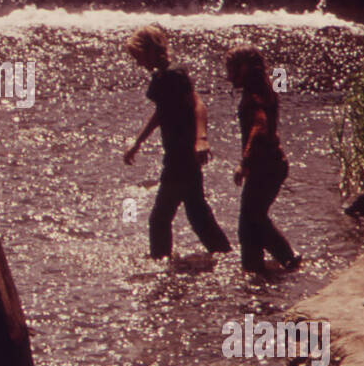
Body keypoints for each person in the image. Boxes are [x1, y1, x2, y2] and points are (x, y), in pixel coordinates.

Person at [124, 25, 232, 260]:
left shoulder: (175, 74)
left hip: (182, 154)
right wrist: (138, 142)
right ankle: (225, 255)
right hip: (176, 152)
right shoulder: (161, 77)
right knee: (197, 213)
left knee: (160, 218)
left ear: (151, 51)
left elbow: (198, 105)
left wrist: (201, 140)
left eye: (138, 56)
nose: (137, 63)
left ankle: (160, 264)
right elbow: (161, 113)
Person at [224, 44, 302, 274]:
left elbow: (260, 127)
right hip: (272, 165)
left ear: (245, 68)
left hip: (265, 167)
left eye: (231, 70)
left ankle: (289, 258)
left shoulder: (254, 96)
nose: (228, 77)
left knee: (252, 217)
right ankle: (254, 268)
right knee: (250, 219)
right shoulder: (265, 88)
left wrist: (244, 163)